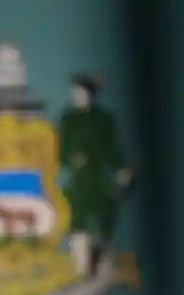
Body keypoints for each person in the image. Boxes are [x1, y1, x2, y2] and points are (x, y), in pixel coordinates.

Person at [59, 75, 133, 276]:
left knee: (102, 221)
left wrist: (123, 169)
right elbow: (61, 151)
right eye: (75, 93)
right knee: (76, 223)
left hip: (98, 178)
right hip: (77, 180)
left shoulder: (103, 119)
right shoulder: (68, 119)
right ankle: (82, 268)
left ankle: (97, 262)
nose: (77, 96)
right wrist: (72, 158)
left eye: (81, 92)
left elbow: (112, 149)